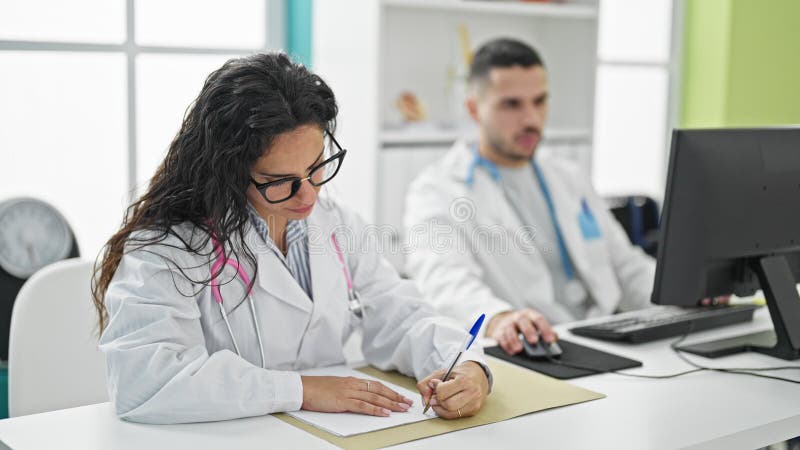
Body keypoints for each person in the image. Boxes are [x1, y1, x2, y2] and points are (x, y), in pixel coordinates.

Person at [92, 52, 490, 424]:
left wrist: (468, 367)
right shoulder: (168, 247)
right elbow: (142, 380)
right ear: (228, 170)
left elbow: (400, 316)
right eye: (279, 181)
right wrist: (300, 390)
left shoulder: (336, 226)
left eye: (317, 167)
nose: (309, 195)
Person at [403, 38, 658, 356]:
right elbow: (444, 282)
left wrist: (681, 293)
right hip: (529, 348)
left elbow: (627, 266)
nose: (531, 119)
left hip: (603, 336)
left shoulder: (568, 175)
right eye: (511, 104)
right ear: (474, 109)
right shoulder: (437, 190)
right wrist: (499, 318)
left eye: (539, 101)